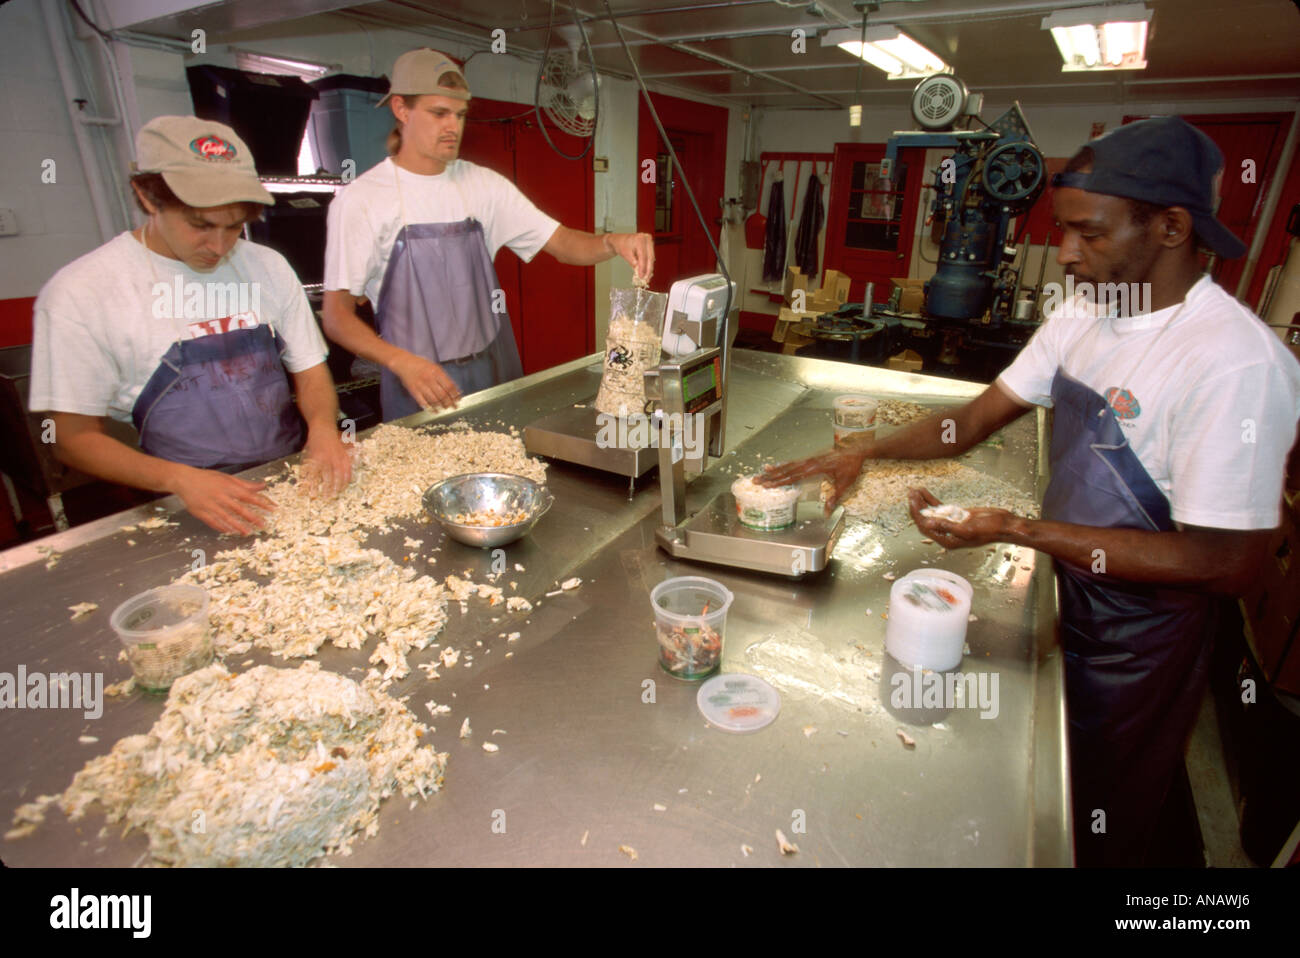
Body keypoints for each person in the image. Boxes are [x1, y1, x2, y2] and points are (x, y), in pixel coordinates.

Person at [761, 116, 1300, 867]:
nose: (1066, 254)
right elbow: (978, 418)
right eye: (1062, 229)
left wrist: (1021, 531)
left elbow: (1226, 564)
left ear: (1173, 227)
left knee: (1100, 814)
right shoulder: (1087, 310)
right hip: (1066, 597)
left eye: (1091, 233)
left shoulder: (1235, 364)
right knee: (1036, 786)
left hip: (1136, 645)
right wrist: (865, 451)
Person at [29, 116, 353, 535]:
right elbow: (71, 438)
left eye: (234, 226)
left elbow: (309, 369)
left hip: (290, 479)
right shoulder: (82, 292)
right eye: (200, 225)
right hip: (180, 501)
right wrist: (177, 480)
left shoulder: (267, 267)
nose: (219, 247)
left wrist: (324, 429)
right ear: (147, 196)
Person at [322, 48, 656, 421]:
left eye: (460, 115)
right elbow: (336, 316)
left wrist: (612, 241)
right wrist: (401, 362)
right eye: (439, 113)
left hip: (493, 377)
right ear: (401, 109)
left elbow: (562, 243)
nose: (453, 126)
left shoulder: (483, 185)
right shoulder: (362, 200)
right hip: (416, 387)